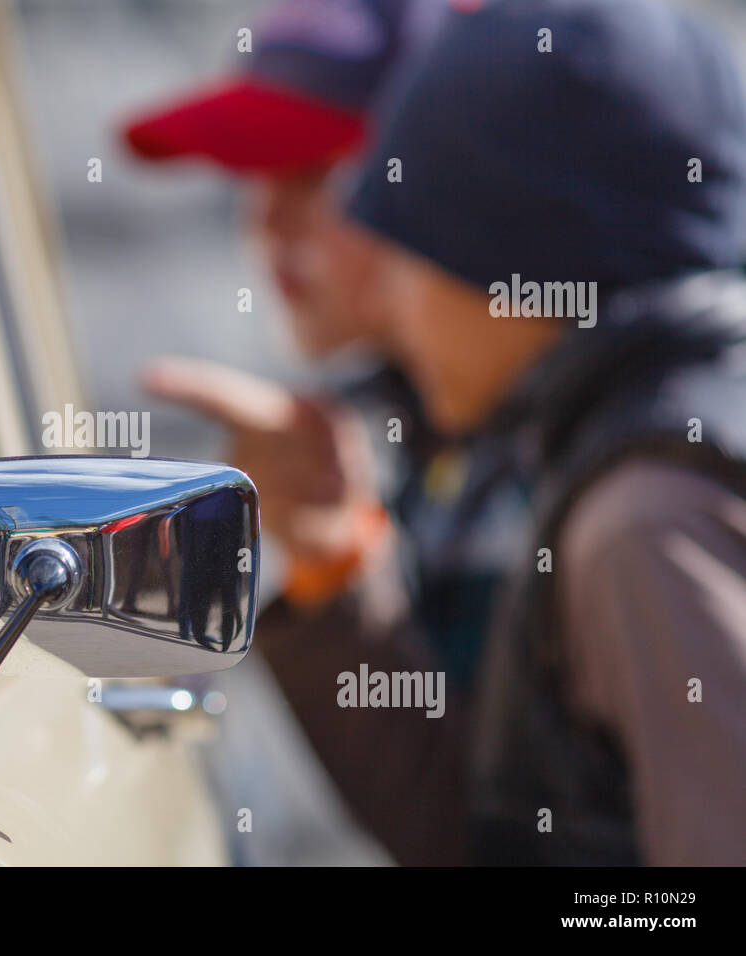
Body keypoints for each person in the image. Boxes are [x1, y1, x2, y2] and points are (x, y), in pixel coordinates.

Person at [253, 0, 746, 864]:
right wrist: (339, 574)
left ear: (517, 269)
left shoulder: (644, 522)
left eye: (411, 253)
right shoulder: (633, 457)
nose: (397, 309)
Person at [124, 0, 520, 689]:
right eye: (253, 172)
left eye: (312, 174)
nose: (266, 219)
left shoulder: (560, 440)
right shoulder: (403, 419)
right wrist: (334, 566)